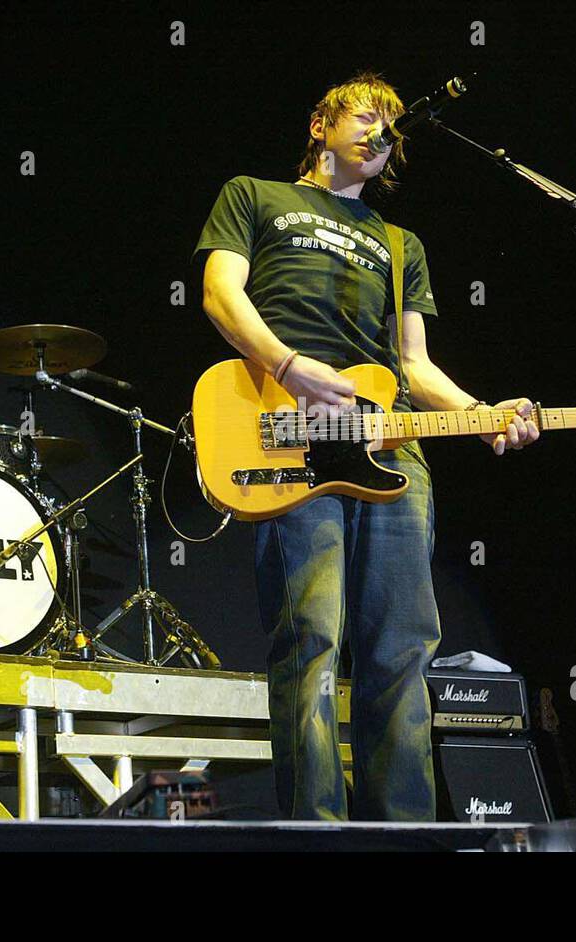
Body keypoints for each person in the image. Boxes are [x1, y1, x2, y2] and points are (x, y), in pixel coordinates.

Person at [194, 72, 540, 820]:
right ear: (320, 123)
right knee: (312, 638)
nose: (380, 132)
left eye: (391, 127)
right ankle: (319, 830)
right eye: (366, 115)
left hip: (389, 443)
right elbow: (222, 294)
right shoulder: (254, 195)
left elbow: (412, 364)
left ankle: (405, 832)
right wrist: (288, 365)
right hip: (289, 430)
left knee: (403, 649)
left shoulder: (399, 242)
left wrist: (483, 412)